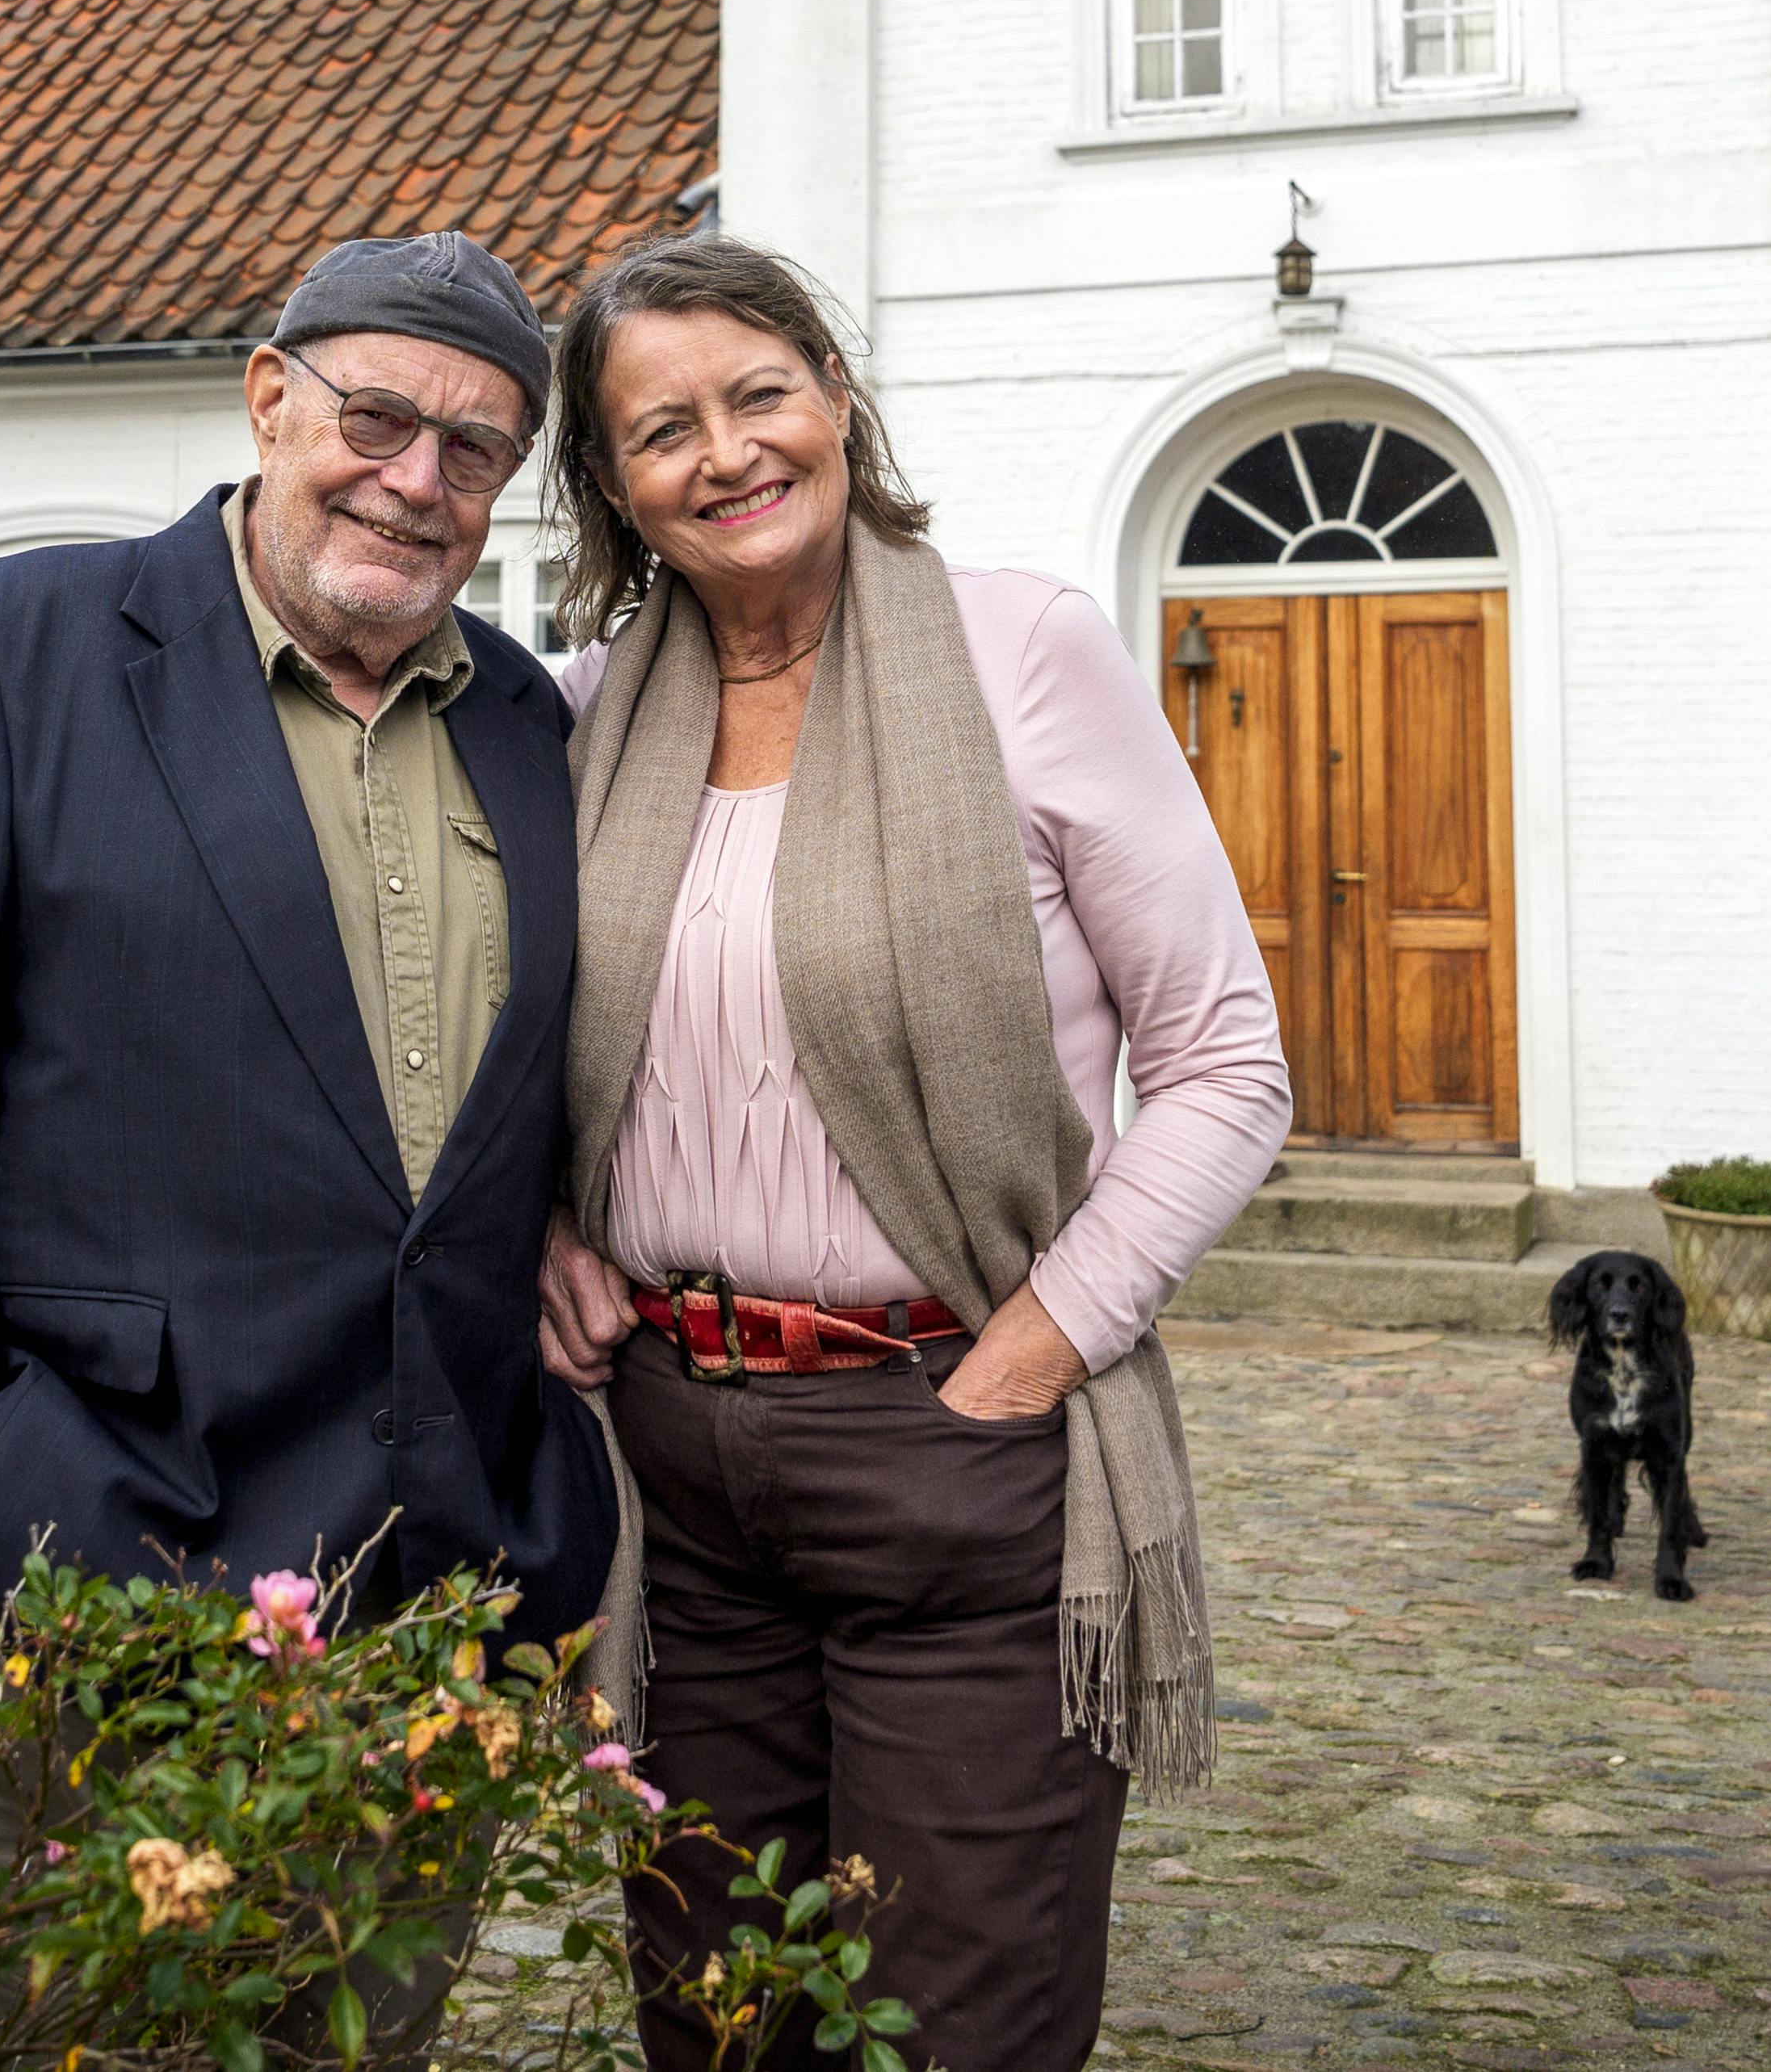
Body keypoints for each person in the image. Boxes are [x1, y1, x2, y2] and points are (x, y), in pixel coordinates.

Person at [531, 237, 1291, 2072]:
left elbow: (1223, 1062)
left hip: (954, 1443)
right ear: (613, 485)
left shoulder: (1023, 652)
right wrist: (546, 1224)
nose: (725, 451)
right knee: (715, 2014)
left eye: (759, 394)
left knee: (954, 2020)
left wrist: (1033, 1347)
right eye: (662, 429)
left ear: (837, 396)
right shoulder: (584, 710)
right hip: (673, 1472)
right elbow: (538, 1042)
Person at [0, 228, 618, 1660]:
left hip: (463, 1569)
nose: (418, 480)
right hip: (113, 1549)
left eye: (474, 450)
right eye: (378, 418)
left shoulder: (526, 719)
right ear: (270, 397)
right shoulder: (6, 651)